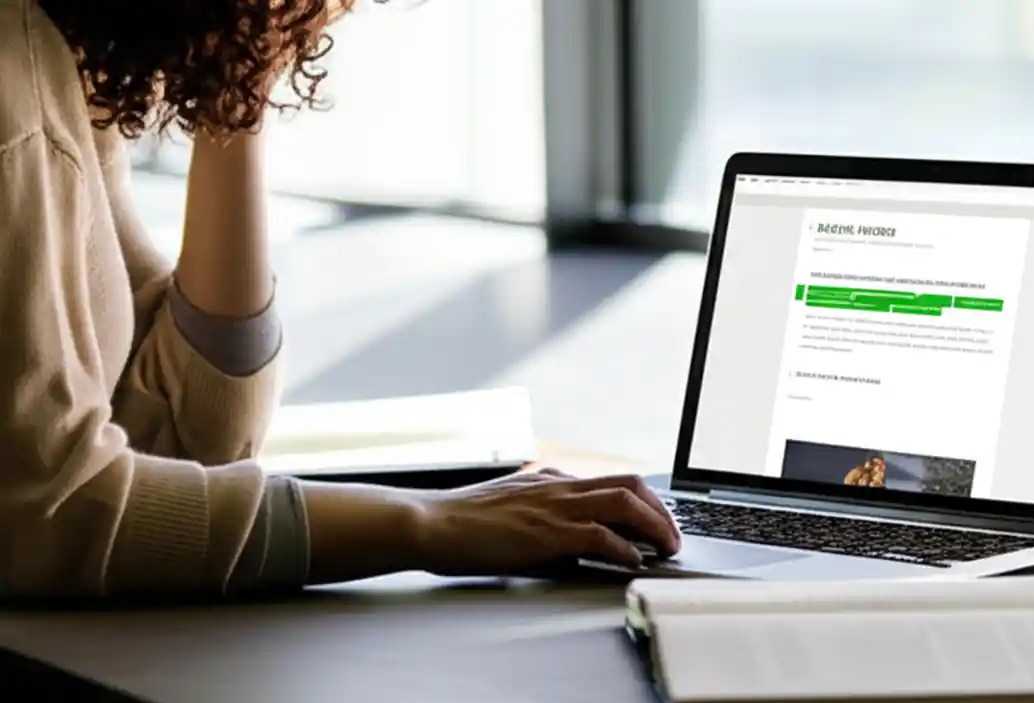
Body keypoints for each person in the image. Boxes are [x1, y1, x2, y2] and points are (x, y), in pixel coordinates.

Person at [0, 0, 680, 598]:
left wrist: (237, 83)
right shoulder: (12, 81)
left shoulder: (54, 55)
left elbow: (187, 438)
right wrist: (430, 522)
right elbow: (48, 517)